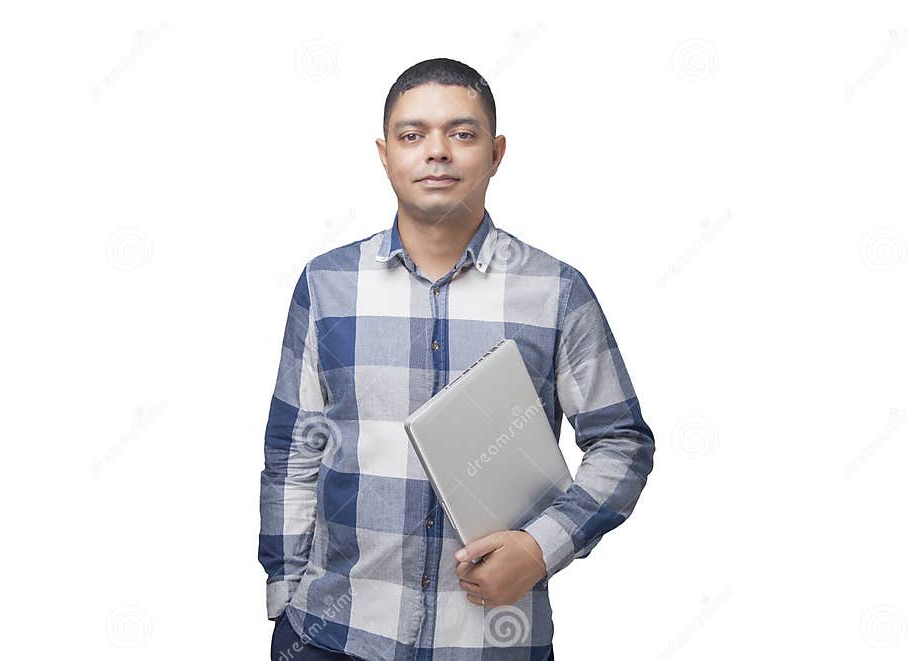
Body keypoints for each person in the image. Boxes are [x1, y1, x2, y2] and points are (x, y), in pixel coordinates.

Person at [259, 57, 655, 660]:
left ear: (496, 153)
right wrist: (284, 596)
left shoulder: (555, 291)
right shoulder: (327, 284)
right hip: (335, 638)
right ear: (384, 153)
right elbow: (294, 448)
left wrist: (541, 546)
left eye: (462, 133)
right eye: (412, 135)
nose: (436, 151)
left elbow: (621, 441)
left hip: (493, 643)